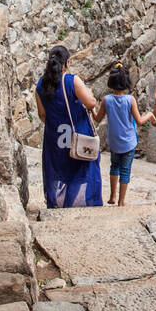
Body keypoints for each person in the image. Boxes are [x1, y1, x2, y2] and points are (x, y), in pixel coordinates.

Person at [35, 45, 102, 207]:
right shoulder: (72, 80)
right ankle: (72, 202)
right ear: (67, 62)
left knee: (58, 171)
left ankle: (57, 203)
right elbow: (90, 102)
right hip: (78, 136)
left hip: (55, 139)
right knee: (81, 169)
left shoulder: (41, 85)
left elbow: (42, 114)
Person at [94, 63, 153, 206]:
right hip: (128, 142)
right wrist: (150, 114)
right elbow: (139, 121)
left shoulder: (106, 100)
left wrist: (91, 108)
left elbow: (97, 118)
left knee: (114, 167)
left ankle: (112, 196)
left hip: (114, 142)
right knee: (125, 170)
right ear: (126, 82)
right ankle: (121, 201)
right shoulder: (130, 100)